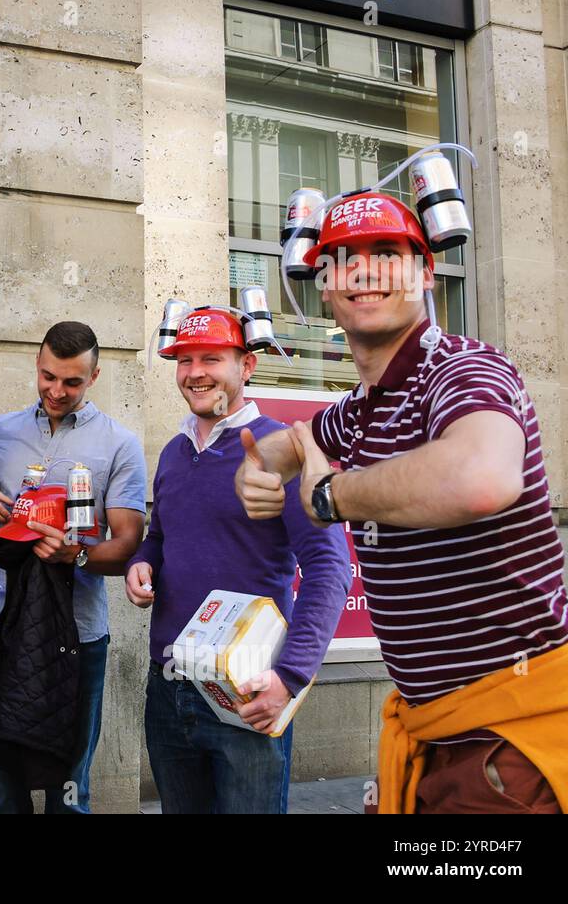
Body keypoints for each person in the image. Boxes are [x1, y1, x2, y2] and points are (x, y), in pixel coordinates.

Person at [235, 192, 568, 814]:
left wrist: (329, 495)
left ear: (426, 274)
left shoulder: (466, 369)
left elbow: (480, 479)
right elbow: (286, 445)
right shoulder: (359, 410)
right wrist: (259, 471)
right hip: (437, 737)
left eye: (388, 253)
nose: (367, 271)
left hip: (507, 751)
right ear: (326, 287)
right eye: (345, 259)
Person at [126, 307, 349, 813]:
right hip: (170, 686)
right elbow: (160, 536)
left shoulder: (281, 450)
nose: (195, 372)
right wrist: (142, 561)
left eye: (211, 358)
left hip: (247, 690)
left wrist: (288, 679)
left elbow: (328, 569)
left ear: (246, 366)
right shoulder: (175, 451)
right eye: (184, 359)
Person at [0, 321, 146, 813]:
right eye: (49, 376)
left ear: (93, 377)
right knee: (3, 780)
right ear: (37, 363)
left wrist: (74, 554)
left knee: (69, 783)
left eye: (72, 382)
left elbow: (128, 546)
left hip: (76, 631)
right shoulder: (1, 431)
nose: (57, 391)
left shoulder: (119, 444)